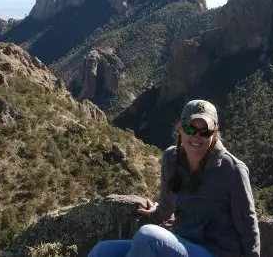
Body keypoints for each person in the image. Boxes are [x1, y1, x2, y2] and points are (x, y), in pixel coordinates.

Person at [88, 99, 260, 256]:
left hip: (216, 252)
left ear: (215, 132)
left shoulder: (233, 169)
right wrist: (157, 213)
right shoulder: (171, 158)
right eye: (190, 129)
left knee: (148, 237)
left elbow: (248, 224)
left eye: (204, 132)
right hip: (181, 243)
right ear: (180, 128)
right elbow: (168, 202)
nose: (196, 137)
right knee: (101, 251)